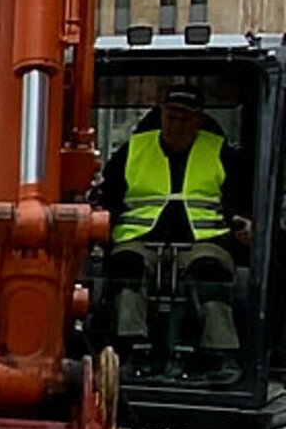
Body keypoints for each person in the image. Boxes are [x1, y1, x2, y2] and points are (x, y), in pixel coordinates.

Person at [97, 85, 251, 361]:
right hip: (138, 239)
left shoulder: (221, 153)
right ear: (162, 116)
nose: (176, 125)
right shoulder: (132, 151)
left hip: (203, 242)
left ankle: (220, 354)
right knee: (126, 268)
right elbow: (109, 197)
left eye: (185, 119)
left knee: (210, 273)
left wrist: (243, 222)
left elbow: (241, 199)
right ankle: (130, 350)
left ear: (198, 121)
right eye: (171, 117)